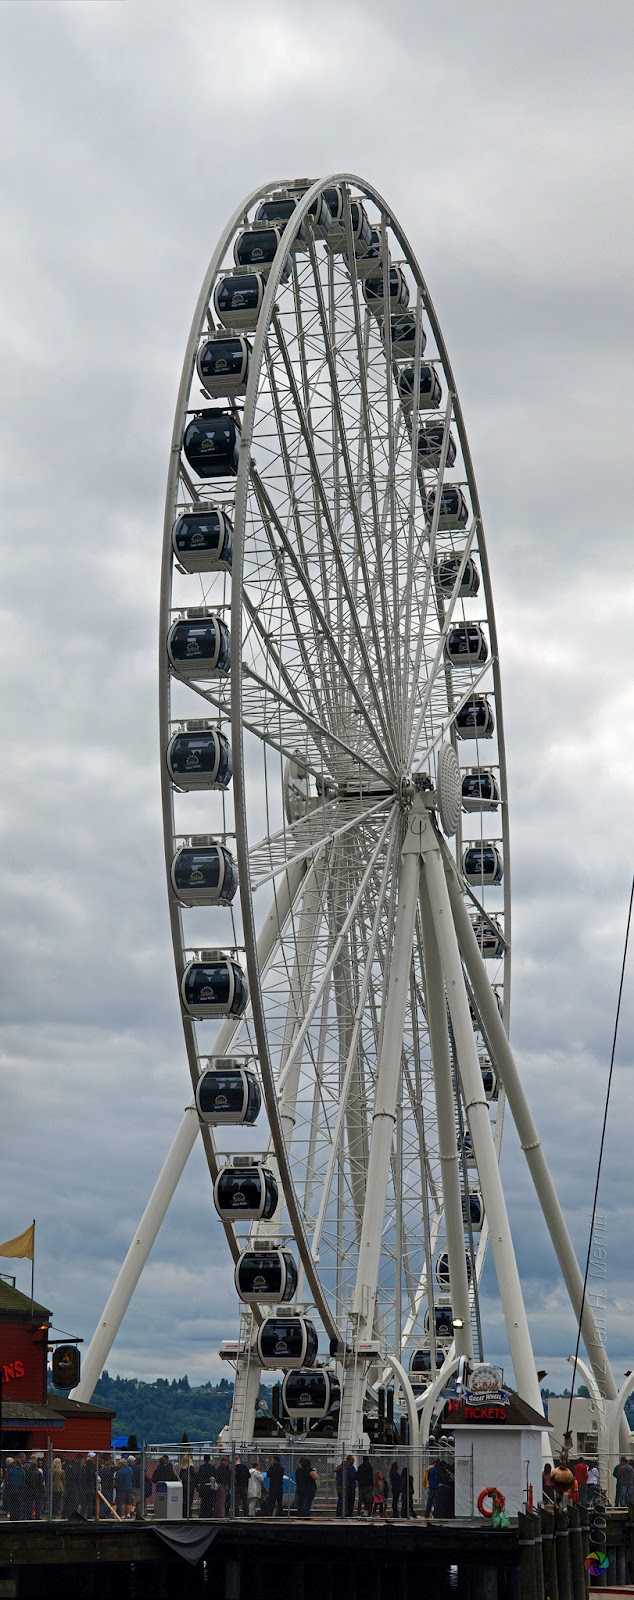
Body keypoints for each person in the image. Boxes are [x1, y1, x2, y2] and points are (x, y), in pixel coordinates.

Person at [25, 1455, 46, 1520]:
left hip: (29, 1490)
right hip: (37, 1490)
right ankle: (37, 1517)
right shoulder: (38, 1473)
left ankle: (29, 1517)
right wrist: (43, 1491)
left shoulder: (28, 1472)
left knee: (29, 1504)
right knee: (37, 1504)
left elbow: (26, 1481)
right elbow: (41, 1483)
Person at [180, 1454, 197, 1518]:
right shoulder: (191, 1468)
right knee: (189, 1502)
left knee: (184, 1501)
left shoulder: (182, 1468)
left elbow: (181, 1476)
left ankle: (184, 1514)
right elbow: (194, 1477)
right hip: (190, 1487)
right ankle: (188, 1515)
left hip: (184, 1486)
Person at [214, 1452, 230, 1517]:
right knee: (222, 1500)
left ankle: (217, 1513)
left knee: (219, 1500)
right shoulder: (224, 1468)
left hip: (220, 1484)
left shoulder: (220, 1467)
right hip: (222, 1484)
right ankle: (221, 1514)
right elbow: (225, 1477)